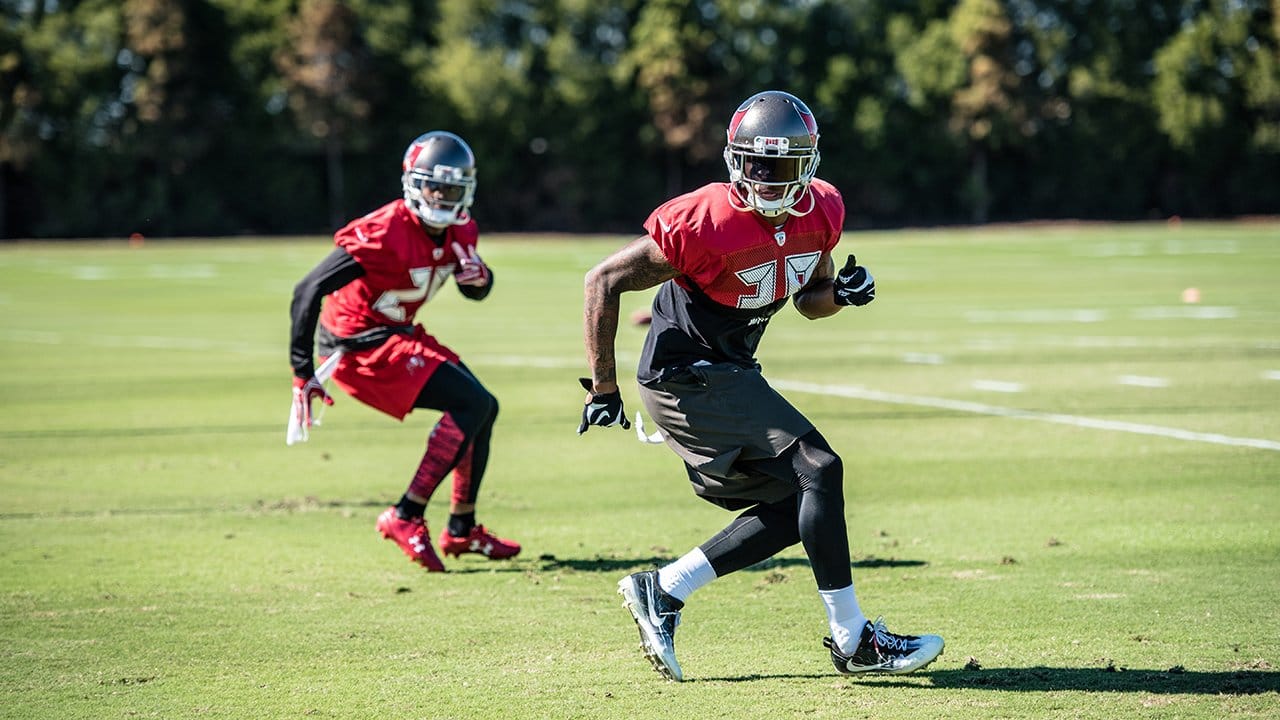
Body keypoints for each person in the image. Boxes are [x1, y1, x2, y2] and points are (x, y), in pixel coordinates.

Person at [579, 91, 943, 680]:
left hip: (730, 370)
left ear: (811, 165)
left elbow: (810, 300)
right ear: (734, 161)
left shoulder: (823, 210)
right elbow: (603, 281)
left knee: (799, 499)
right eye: (757, 165)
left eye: (784, 166)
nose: (770, 181)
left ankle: (664, 590)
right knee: (820, 467)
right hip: (684, 375)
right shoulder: (703, 220)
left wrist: (841, 296)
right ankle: (853, 640)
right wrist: (603, 390)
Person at [289, 130, 520, 572]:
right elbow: (307, 291)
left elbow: (476, 288)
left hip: (397, 333)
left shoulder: (460, 229)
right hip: (355, 346)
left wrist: (481, 279)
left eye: (454, 188)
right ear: (415, 183)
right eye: (437, 186)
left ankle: (460, 527)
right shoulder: (382, 231)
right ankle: (405, 515)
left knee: (483, 408)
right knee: (473, 403)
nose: (444, 196)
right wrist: (303, 372)